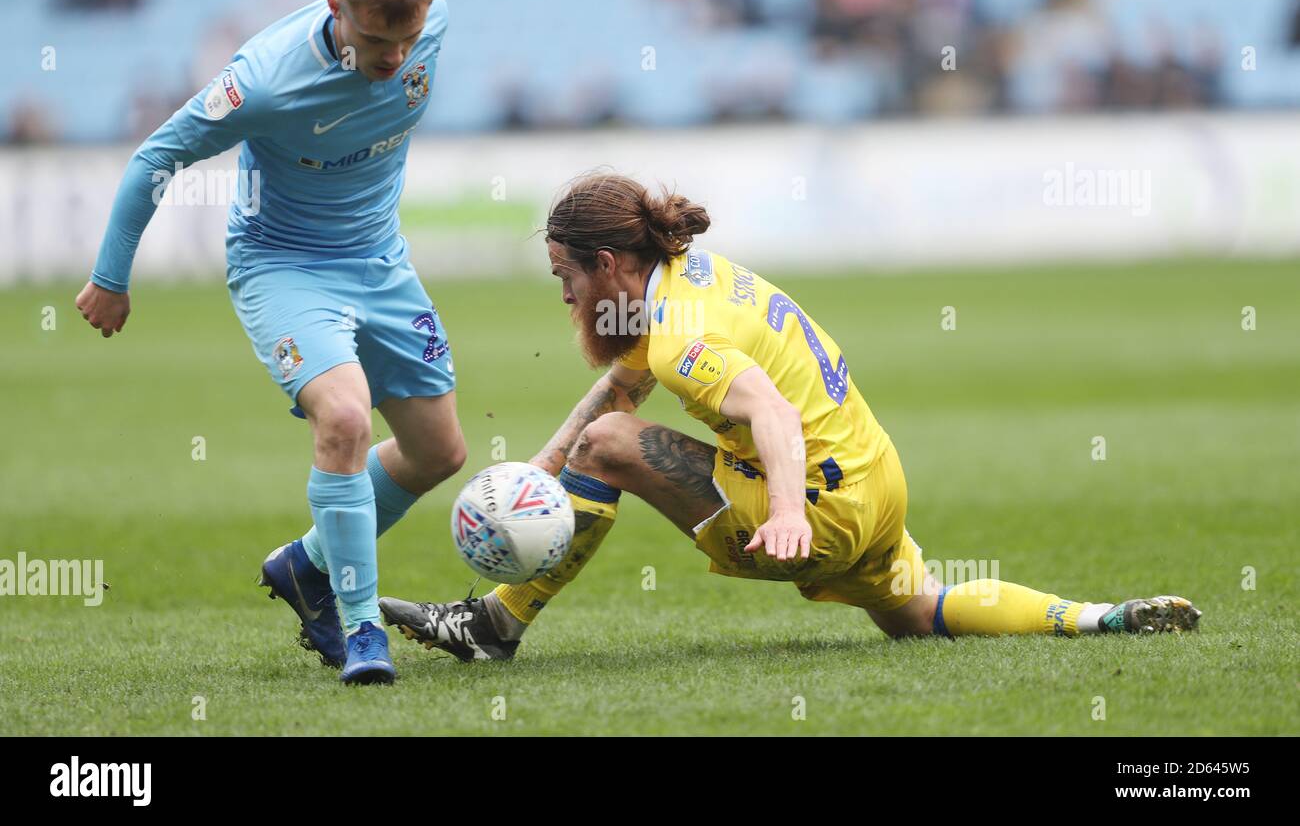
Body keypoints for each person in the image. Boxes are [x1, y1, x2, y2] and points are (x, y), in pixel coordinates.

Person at [379, 173, 1201, 660]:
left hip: (810, 507)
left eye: (565, 275)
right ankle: (1100, 616)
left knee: (609, 448)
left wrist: (780, 516)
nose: (563, 295)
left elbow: (764, 410)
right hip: (877, 483)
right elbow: (624, 382)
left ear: (605, 263)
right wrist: (539, 470)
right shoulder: (688, 277)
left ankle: (494, 626)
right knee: (918, 614)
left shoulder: (678, 337)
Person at [75, 0, 466, 684]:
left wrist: (405, 39)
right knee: (346, 419)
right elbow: (158, 157)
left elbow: (407, 41)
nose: (396, 61)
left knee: (439, 453)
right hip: (284, 266)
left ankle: (306, 564)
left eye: (408, 40)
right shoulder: (264, 78)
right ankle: (362, 632)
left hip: (379, 261)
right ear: (335, 8)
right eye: (379, 41)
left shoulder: (432, 21)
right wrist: (111, 276)